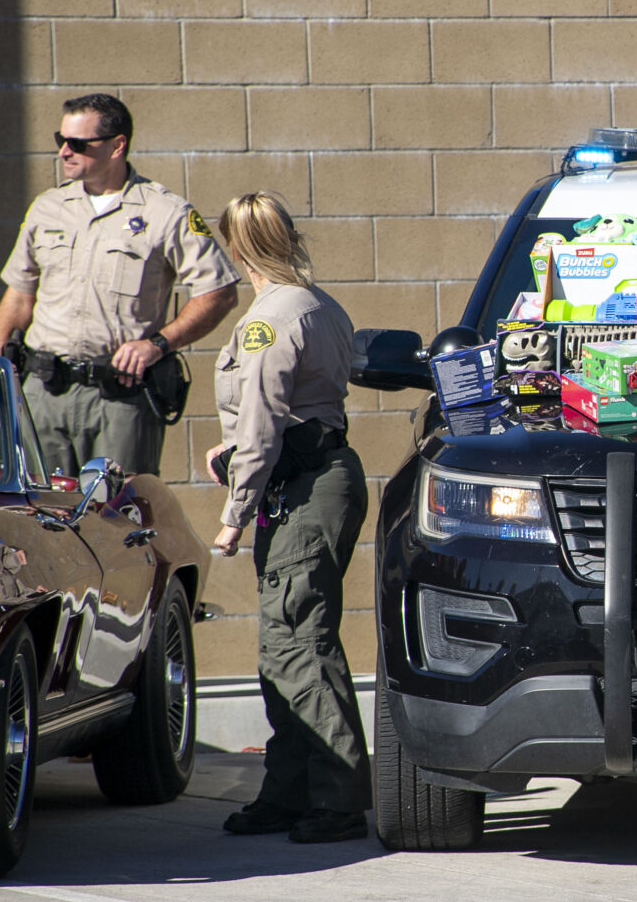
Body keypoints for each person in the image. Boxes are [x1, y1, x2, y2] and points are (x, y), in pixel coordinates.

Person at [205, 191, 371, 844]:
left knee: (300, 642)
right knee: (283, 643)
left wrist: (233, 513)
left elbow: (261, 420)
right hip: (313, 477)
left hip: (301, 484)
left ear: (239, 246)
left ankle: (337, 797)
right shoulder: (321, 304)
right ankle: (289, 791)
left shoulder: (269, 318)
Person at [0, 92, 239, 475]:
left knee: (116, 518)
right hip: (43, 392)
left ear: (117, 146)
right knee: (38, 515)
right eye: (61, 140)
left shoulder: (164, 212)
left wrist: (158, 345)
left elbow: (219, 291)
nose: (65, 151)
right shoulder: (47, 208)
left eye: (79, 144)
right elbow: (19, 297)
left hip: (118, 398)